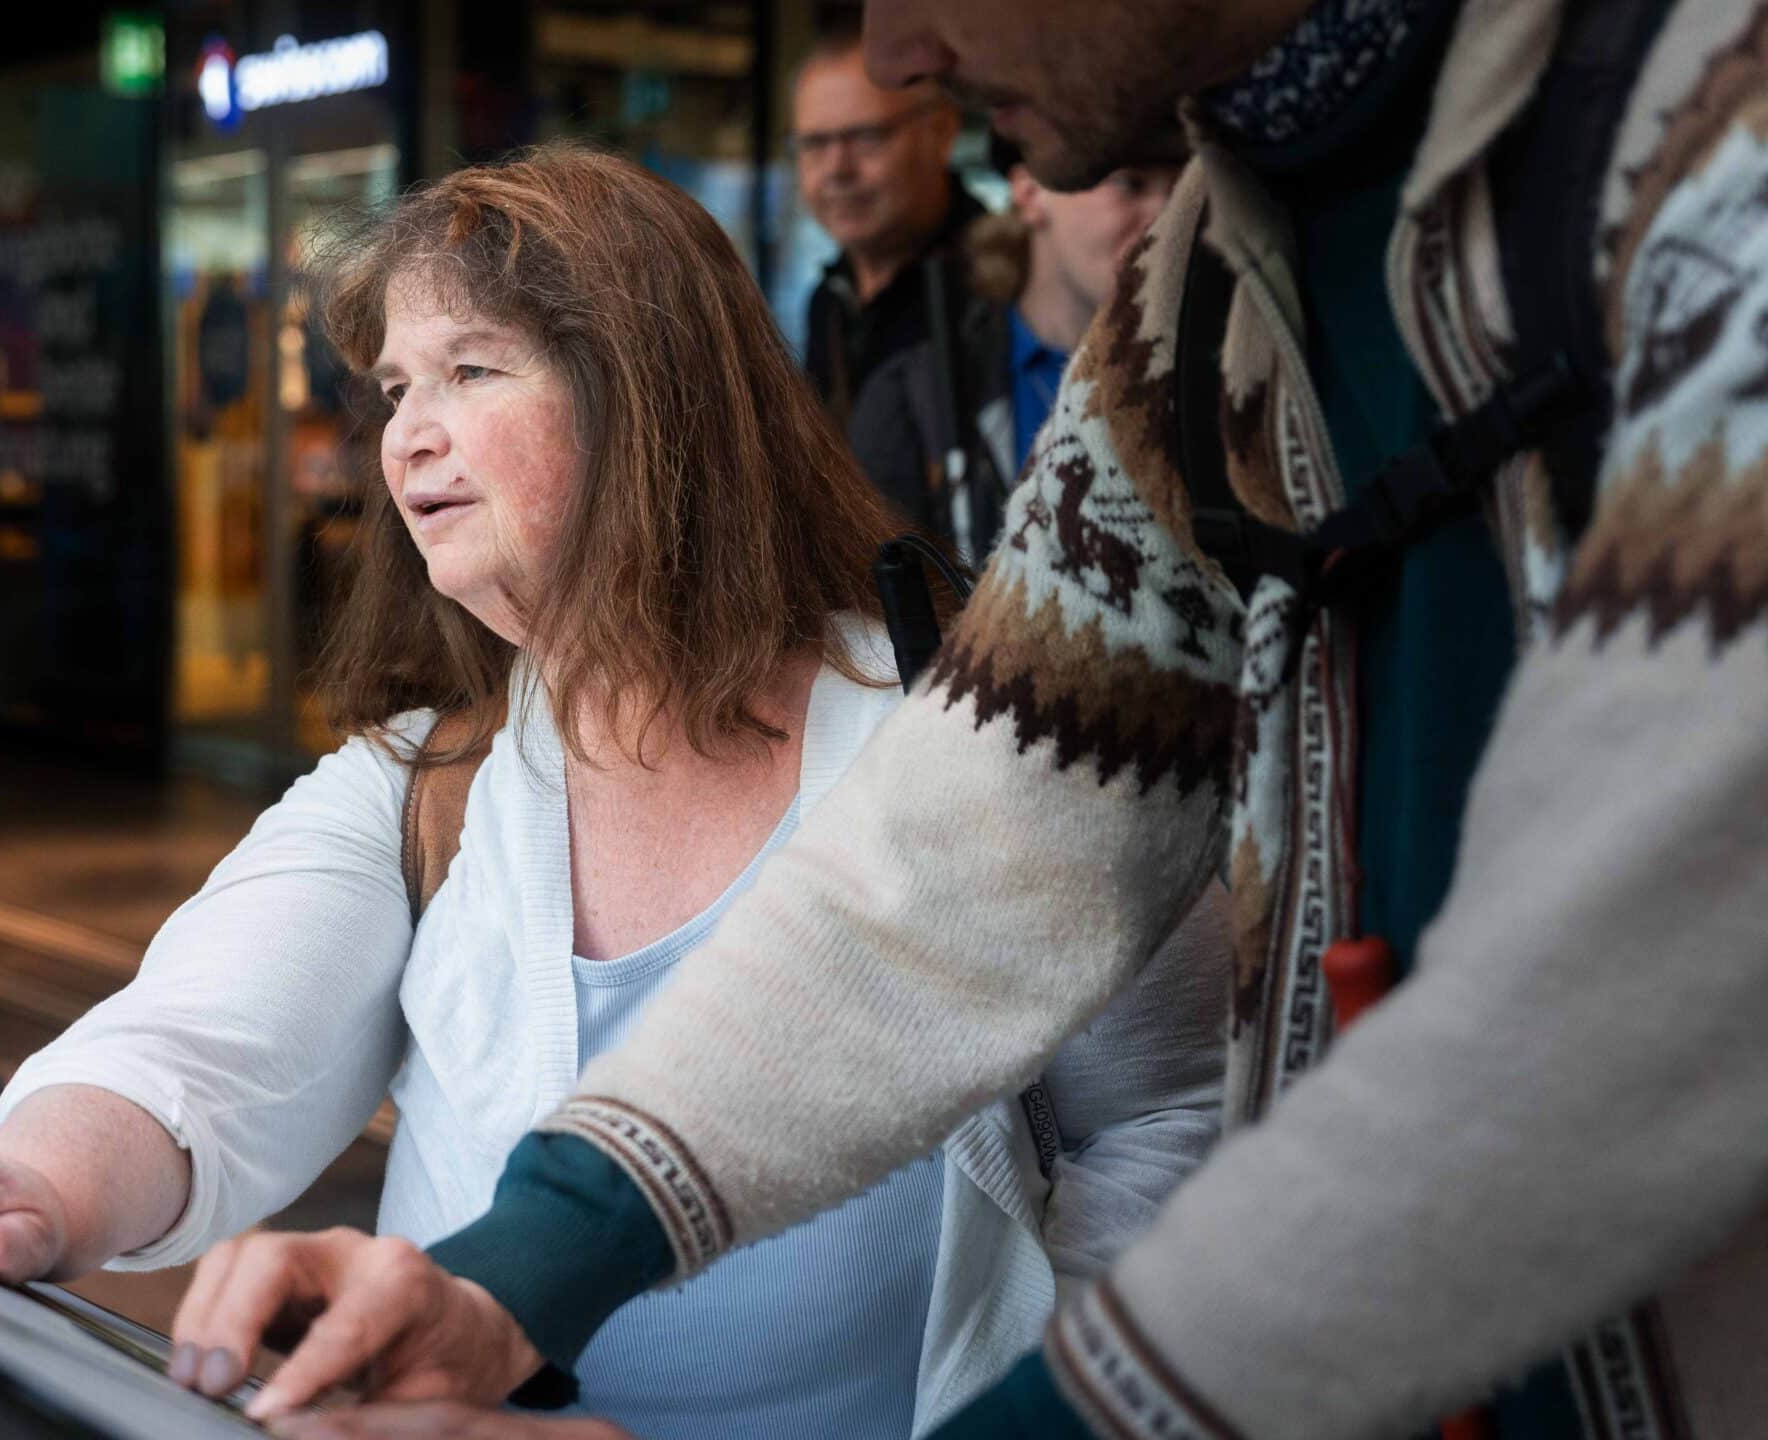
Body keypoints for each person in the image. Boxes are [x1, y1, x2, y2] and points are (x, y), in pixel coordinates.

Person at [159, 0, 1768, 1437]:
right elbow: (973, 840)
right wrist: (524, 1271)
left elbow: (1622, 990)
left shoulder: (1714, 126)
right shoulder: (1207, 282)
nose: (904, 49)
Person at [0, 145, 1232, 1440]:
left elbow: (1164, 1122)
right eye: (394, 387)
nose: (405, 436)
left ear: (652, 398)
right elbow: (198, 1045)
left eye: (472, 371)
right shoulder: (421, 784)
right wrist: (29, 1188)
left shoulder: (967, 735)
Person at [849, 137, 1179, 560]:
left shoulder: (1219, 377)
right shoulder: (919, 398)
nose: (1167, 218)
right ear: (1030, 192)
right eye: (1130, 184)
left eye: (1183, 189)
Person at [793, 26, 974, 427]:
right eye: (815, 144)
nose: (838, 169)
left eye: (866, 137)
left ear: (940, 132)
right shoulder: (828, 301)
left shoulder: (1003, 282)